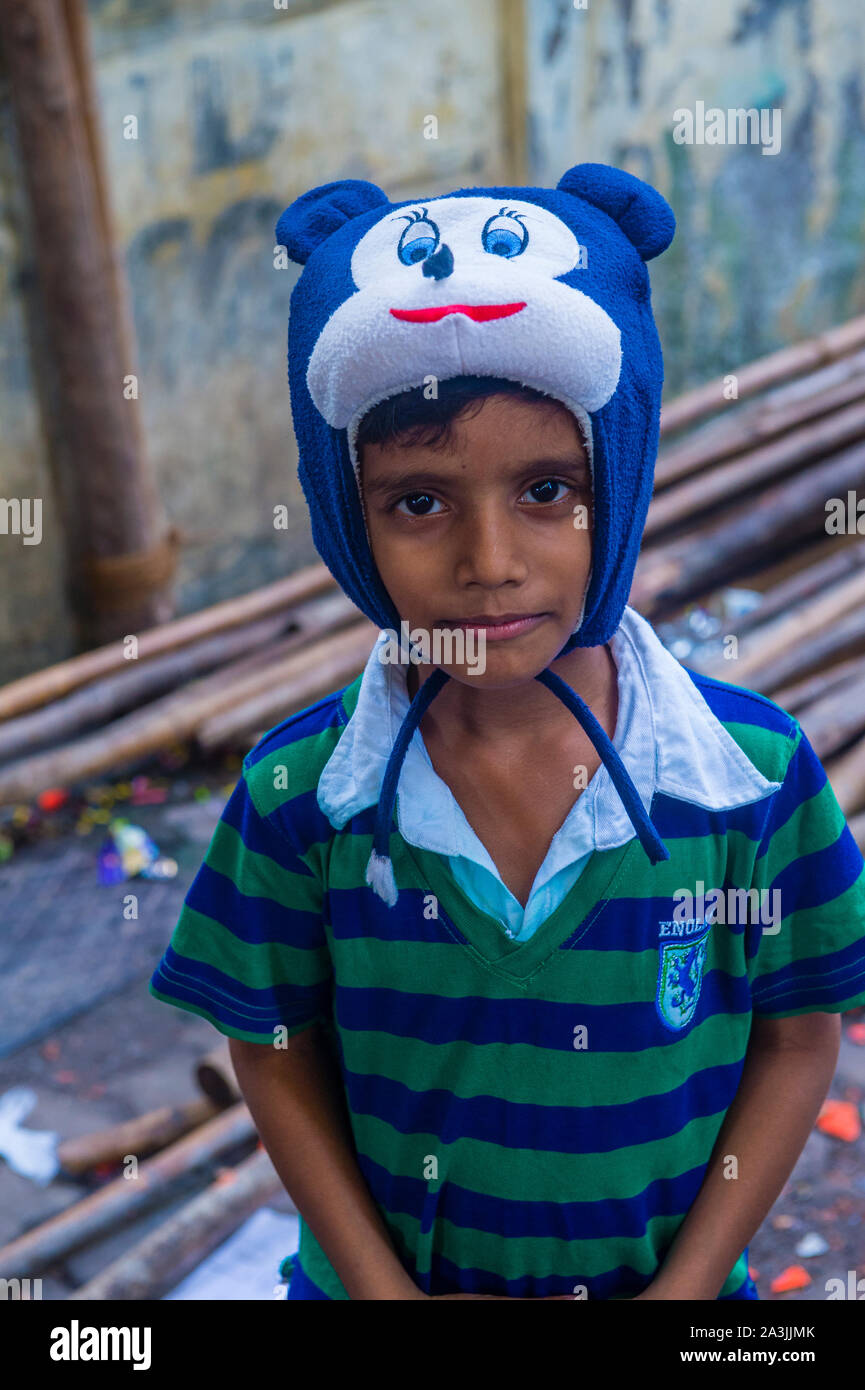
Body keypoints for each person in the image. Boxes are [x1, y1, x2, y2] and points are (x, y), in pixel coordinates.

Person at [149, 164, 865, 1300]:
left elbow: (796, 1036)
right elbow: (273, 1045)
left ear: (618, 486)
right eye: (419, 502)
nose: (489, 562)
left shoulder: (753, 782)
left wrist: (683, 1297)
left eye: (547, 489)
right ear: (348, 518)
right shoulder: (303, 795)